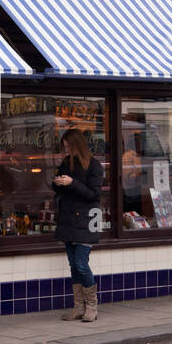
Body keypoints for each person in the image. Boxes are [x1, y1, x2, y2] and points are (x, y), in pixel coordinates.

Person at [53, 128, 103, 322]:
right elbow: (59, 190)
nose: (66, 150)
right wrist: (57, 182)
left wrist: (72, 182)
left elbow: (94, 194)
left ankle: (92, 306)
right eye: (64, 147)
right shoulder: (66, 163)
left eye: (68, 147)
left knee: (81, 264)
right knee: (73, 265)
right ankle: (78, 307)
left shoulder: (94, 165)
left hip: (87, 220)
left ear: (77, 145)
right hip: (68, 220)